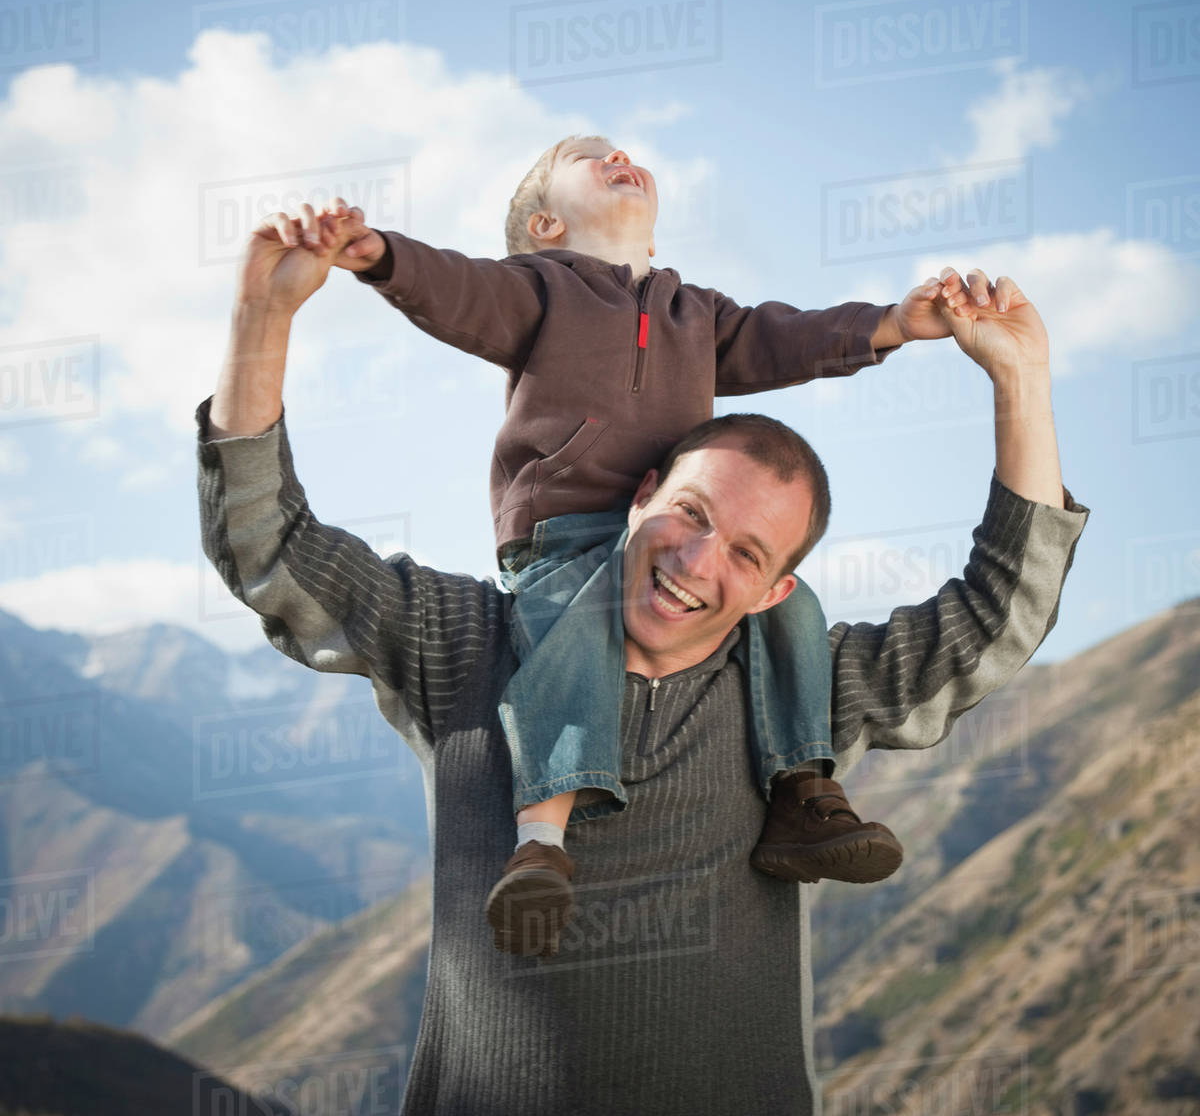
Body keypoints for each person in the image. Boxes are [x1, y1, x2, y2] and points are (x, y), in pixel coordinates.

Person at [198, 212, 1087, 1116]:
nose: (699, 562)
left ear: (780, 592)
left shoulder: (803, 697)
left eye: (747, 554)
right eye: (691, 514)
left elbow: (997, 611)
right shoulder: (463, 644)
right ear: (639, 497)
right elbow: (272, 546)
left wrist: (1021, 378)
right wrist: (259, 319)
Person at [298, 135, 961, 950]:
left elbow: (782, 336)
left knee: (789, 606)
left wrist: (891, 323)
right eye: (589, 156)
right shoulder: (538, 289)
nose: (619, 155)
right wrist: (381, 256)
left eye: (624, 152)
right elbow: (461, 290)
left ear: (654, 236)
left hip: (674, 539)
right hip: (565, 535)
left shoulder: (696, 312)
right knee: (576, 631)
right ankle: (542, 840)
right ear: (546, 223)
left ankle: (800, 790)